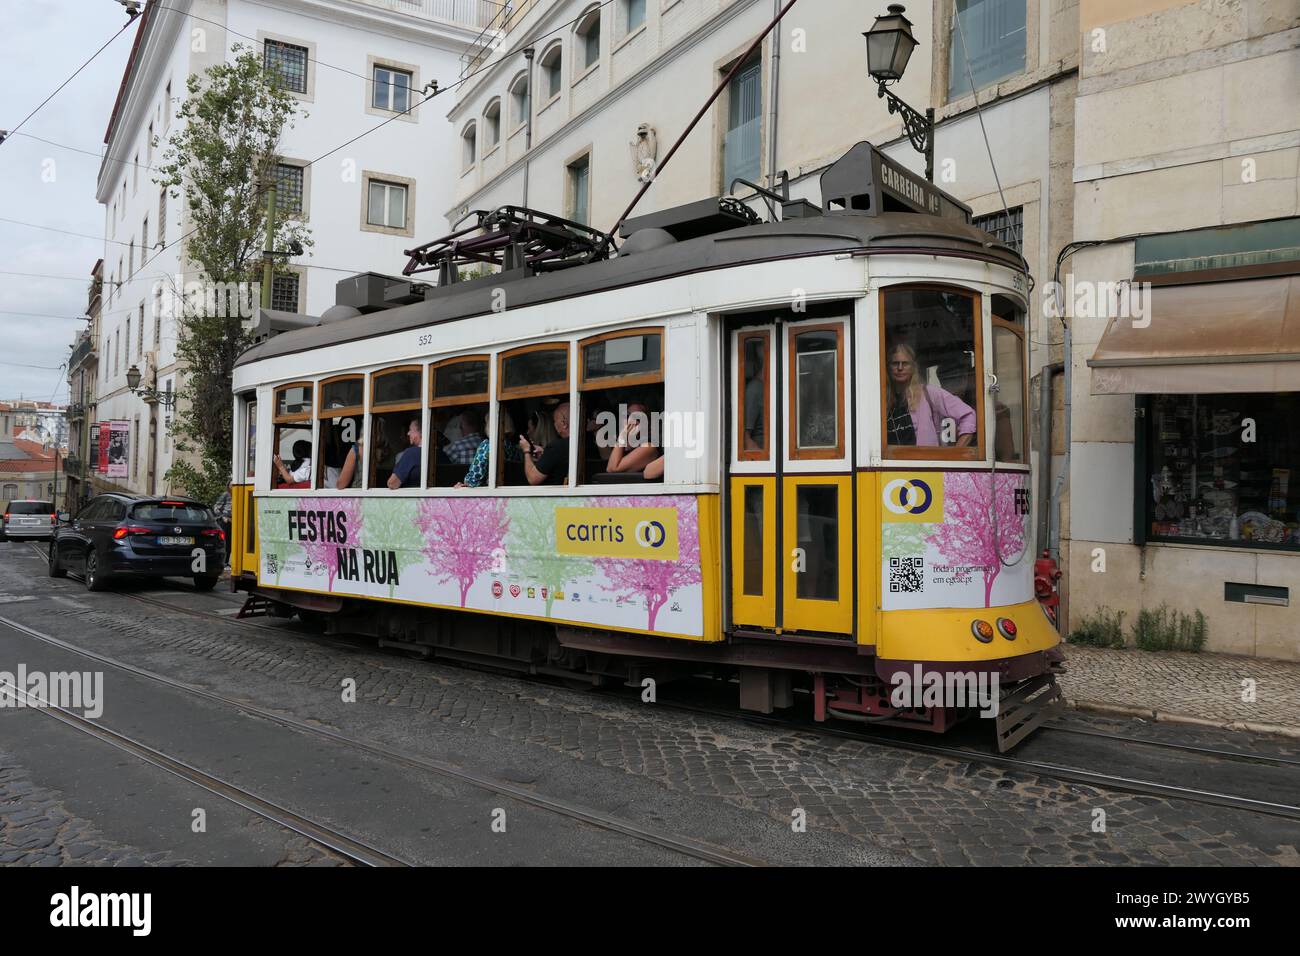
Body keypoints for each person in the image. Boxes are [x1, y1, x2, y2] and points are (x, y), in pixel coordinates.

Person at [885, 343, 975, 448]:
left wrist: (957, 454)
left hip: (924, 463)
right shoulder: (880, 397)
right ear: (888, 367)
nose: (900, 368)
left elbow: (969, 415)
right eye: (895, 363)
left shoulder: (929, 393)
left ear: (913, 367)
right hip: (890, 462)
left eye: (905, 363)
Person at [520, 402, 570, 485]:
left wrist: (526, 450)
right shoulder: (579, 443)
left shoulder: (556, 447)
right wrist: (545, 453)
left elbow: (533, 479)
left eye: (555, 421)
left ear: (564, 424)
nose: (554, 424)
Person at [606, 402, 660, 474]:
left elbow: (612, 469)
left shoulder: (649, 447)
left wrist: (622, 436)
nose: (631, 421)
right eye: (628, 416)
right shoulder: (621, 447)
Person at [387, 418, 422, 489]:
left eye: (410, 430)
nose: (408, 433)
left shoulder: (411, 453)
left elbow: (392, 483)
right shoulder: (440, 453)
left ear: (420, 432)